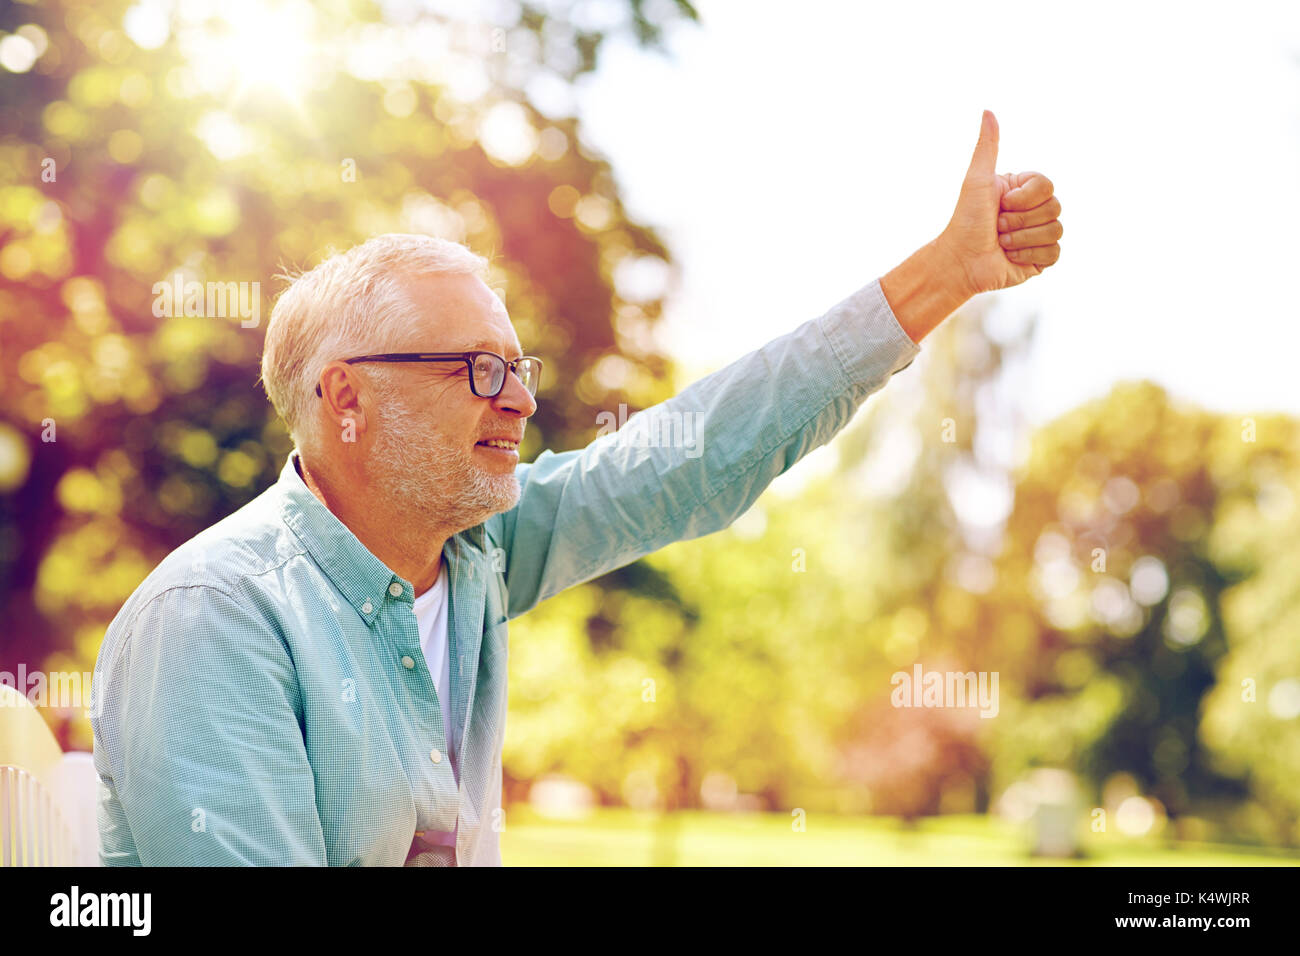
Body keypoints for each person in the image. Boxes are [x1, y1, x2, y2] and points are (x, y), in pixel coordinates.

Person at [91, 111, 1061, 865]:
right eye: (475, 369)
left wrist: (945, 275)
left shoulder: (475, 553)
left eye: (519, 368)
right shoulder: (215, 618)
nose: (516, 401)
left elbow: (696, 455)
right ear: (345, 397)